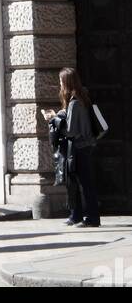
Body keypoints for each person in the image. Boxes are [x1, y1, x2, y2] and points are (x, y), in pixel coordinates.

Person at [42, 67, 102, 228]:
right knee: (75, 181)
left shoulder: (75, 103)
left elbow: (70, 130)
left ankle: (92, 218)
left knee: (85, 183)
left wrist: (53, 118)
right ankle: (76, 215)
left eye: (61, 81)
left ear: (67, 83)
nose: (60, 84)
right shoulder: (81, 98)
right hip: (83, 145)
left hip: (80, 146)